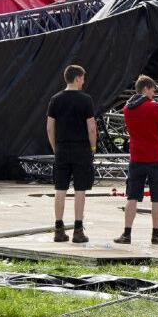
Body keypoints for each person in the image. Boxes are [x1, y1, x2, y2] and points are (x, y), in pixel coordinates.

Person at [115, 75, 158, 245]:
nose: (153, 93)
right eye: (152, 90)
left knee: (132, 197)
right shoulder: (151, 107)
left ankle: (126, 234)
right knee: (157, 198)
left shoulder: (127, 108)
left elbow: (146, 113)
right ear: (145, 89)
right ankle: (155, 235)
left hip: (136, 158)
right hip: (155, 158)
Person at [46, 64, 97, 243]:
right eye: (83, 78)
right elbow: (91, 127)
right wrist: (92, 148)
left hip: (61, 148)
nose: (84, 81)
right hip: (81, 149)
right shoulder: (86, 100)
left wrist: (55, 147)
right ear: (77, 78)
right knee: (80, 190)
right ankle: (77, 230)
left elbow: (50, 127)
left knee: (60, 189)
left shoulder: (55, 99)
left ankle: (58, 229)